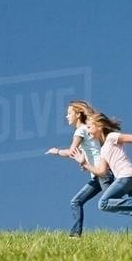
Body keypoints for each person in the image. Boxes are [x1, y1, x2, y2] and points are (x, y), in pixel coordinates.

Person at [44, 100, 114, 238]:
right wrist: (85, 163)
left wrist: (56, 151)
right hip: (98, 175)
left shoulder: (81, 130)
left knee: (113, 203)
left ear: (77, 114)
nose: (67, 116)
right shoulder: (87, 129)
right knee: (76, 202)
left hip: (103, 174)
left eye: (69, 113)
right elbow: (91, 151)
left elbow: (71, 151)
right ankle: (75, 236)